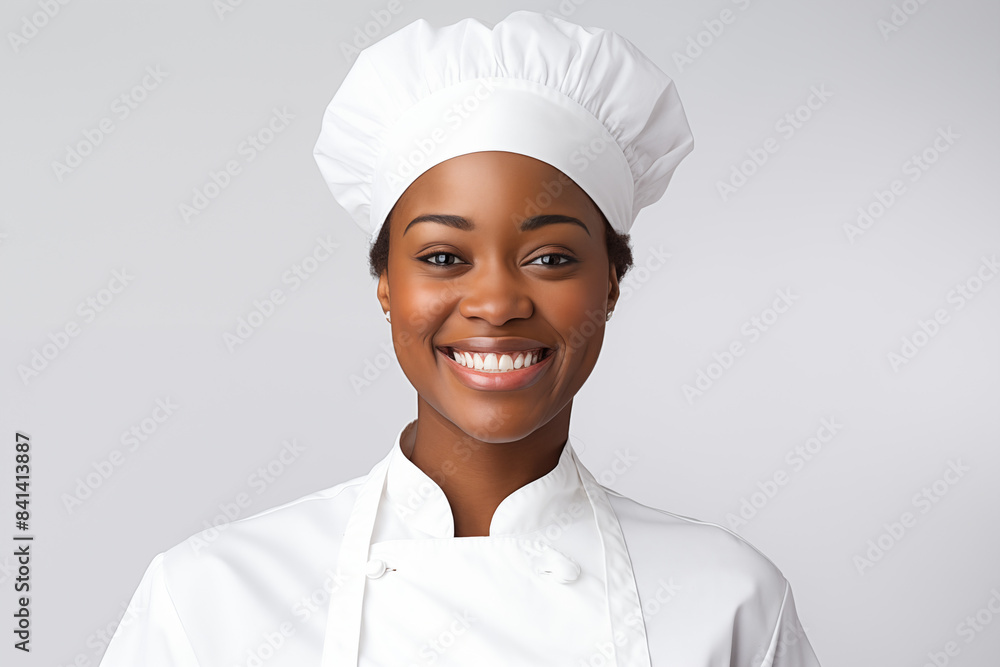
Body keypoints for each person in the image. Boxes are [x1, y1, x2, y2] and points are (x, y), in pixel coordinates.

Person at [99, 10, 821, 666]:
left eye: (551, 258)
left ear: (610, 285)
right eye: (444, 257)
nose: (497, 304)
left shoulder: (729, 602)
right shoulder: (208, 600)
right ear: (386, 285)